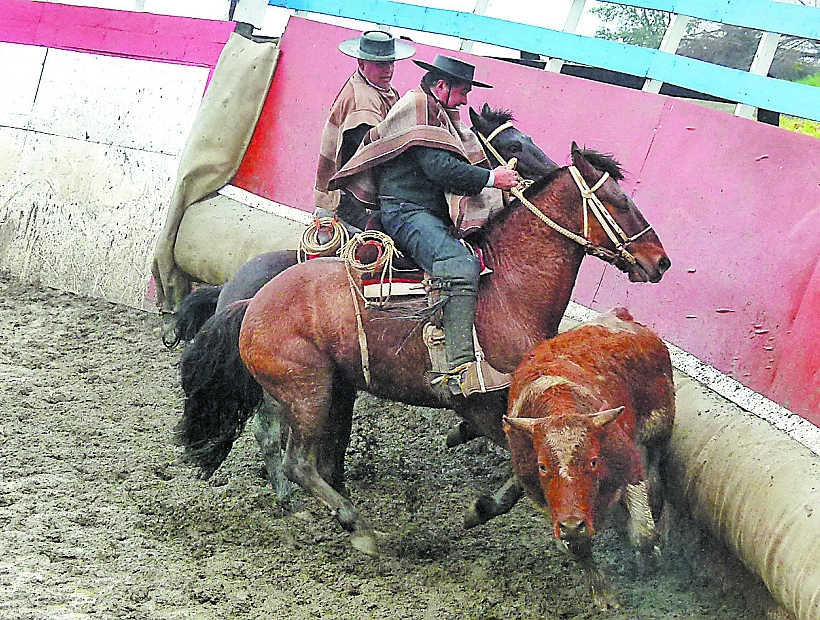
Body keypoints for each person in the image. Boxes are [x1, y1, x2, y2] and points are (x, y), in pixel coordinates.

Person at [330, 55, 520, 396]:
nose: (464, 101)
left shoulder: (437, 112)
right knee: (459, 265)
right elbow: (440, 169)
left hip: (424, 212)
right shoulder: (419, 109)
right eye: (462, 92)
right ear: (441, 86)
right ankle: (459, 368)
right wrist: (493, 178)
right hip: (405, 212)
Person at [313, 30, 415, 231]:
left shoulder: (384, 90)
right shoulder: (363, 101)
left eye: (391, 63)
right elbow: (375, 153)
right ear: (361, 64)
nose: (388, 70)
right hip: (346, 198)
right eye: (381, 65)